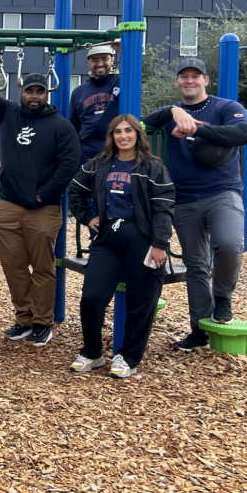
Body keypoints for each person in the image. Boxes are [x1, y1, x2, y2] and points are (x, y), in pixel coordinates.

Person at [141, 58, 247, 352]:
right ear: (177, 83)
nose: (189, 81)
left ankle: (224, 298)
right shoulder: (172, 113)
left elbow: (244, 134)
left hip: (222, 192)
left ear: (205, 81)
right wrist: (175, 111)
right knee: (196, 264)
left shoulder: (225, 107)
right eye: (183, 77)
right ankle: (198, 328)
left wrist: (197, 130)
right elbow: (141, 124)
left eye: (195, 76)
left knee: (229, 244)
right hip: (185, 197)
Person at [0, 44, 80, 347]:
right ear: (20, 92)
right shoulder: (8, 113)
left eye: (39, 92)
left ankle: (42, 323)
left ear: (46, 94)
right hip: (9, 205)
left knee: (44, 268)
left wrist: (44, 194)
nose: (34, 96)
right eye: (29, 91)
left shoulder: (60, 126)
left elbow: (69, 164)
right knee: (14, 266)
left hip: (43, 208)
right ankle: (23, 318)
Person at [67, 114, 175, 378]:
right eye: (117, 132)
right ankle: (92, 353)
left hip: (142, 238)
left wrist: (160, 244)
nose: (123, 136)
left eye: (128, 131)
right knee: (92, 296)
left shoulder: (152, 167)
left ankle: (128, 357)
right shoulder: (100, 164)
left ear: (138, 134)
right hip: (107, 238)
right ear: (111, 137)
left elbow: (164, 207)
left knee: (142, 299)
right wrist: (87, 217)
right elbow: (75, 190)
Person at [68, 44, 121, 165]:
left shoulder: (121, 81)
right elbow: (72, 127)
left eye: (104, 59)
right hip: (86, 153)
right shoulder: (79, 92)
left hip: (116, 150)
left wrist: (124, 49)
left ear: (112, 60)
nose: (100, 63)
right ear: (88, 63)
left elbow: (134, 69)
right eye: (95, 60)